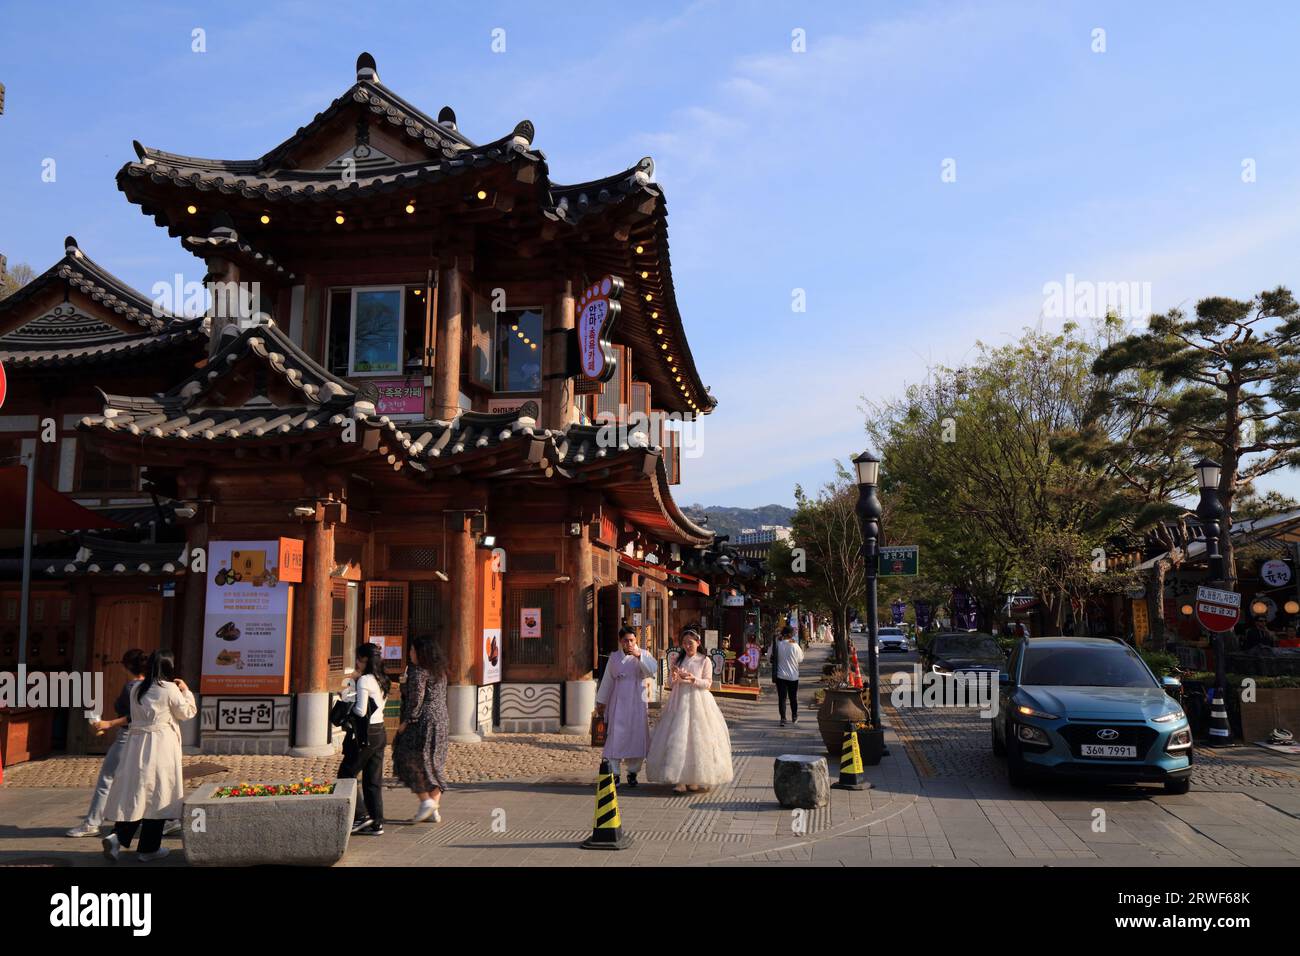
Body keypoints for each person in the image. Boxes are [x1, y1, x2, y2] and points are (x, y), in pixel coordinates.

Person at [100, 650, 196, 862]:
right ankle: (148, 848)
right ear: (168, 667)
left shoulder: (136, 689)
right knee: (158, 795)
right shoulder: (169, 688)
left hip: (137, 745)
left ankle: (117, 838)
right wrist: (186, 691)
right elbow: (187, 713)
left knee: (137, 794)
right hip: (161, 745)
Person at [67, 649, 149, 838]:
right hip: (145, 738)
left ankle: (92, 823)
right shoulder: (151, 687)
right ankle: (167, 820)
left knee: (107, 779)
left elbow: (132, 717)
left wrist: (107, 723)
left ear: (126, 666)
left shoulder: (131, 687)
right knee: (144, 780)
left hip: (127, 736)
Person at [646, 629, 734, 793]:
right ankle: (680, 780)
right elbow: (671, 684)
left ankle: (694, 778)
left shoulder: (704, 660)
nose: (687, 646)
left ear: (698, 643)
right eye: (685, 643)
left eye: (690, 643)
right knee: (677, 739)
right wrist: (674, 677)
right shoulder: (679, 660)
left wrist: (692, 679)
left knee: (698, 739)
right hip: (679, 701)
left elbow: (707, 683)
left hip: (699, 701)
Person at [393, 635, 450, 824]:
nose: (409, 653)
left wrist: (406, 721)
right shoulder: (440, 670)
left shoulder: (419, 672)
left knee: (407, 757)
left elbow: (416, 699)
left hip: (423, 720)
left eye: (412, 650)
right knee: (435, 761)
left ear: (420, 652)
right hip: (441, 719)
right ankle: (433, 805)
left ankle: (426, 800)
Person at [595, 627, 656, 787]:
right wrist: (601, 701)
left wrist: (639, 656)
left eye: (632, 640)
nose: (629, 643)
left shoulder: (644, 654)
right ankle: (614, 772)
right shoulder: (614, 657)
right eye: (625, 640)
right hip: (618, 699)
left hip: (637, 699)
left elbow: (652, 671)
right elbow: (608, 679)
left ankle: (633, 771)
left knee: (637, 735)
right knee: (616, 735)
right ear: (620, 641)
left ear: (636, 641)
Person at [340, 642, 389, 836]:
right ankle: (376, 822)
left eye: (358, 659)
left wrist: (345, 706)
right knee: (372, 779)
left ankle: (360, 815)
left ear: (365, 660)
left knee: (346, 772)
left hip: (366, 733)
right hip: (380, 731)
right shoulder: (382, 678)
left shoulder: (365, 680)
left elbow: (361, 710)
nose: (356, 663)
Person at [772, 625, 804, 727]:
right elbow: (800, 659)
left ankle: (783, 718)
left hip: (780, 676)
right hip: (793, 676)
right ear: (790, 634)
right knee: (793, 697)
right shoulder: (795, 646)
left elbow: (770, 657)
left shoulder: (778, 645)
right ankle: (794, 716)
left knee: (782, 698)